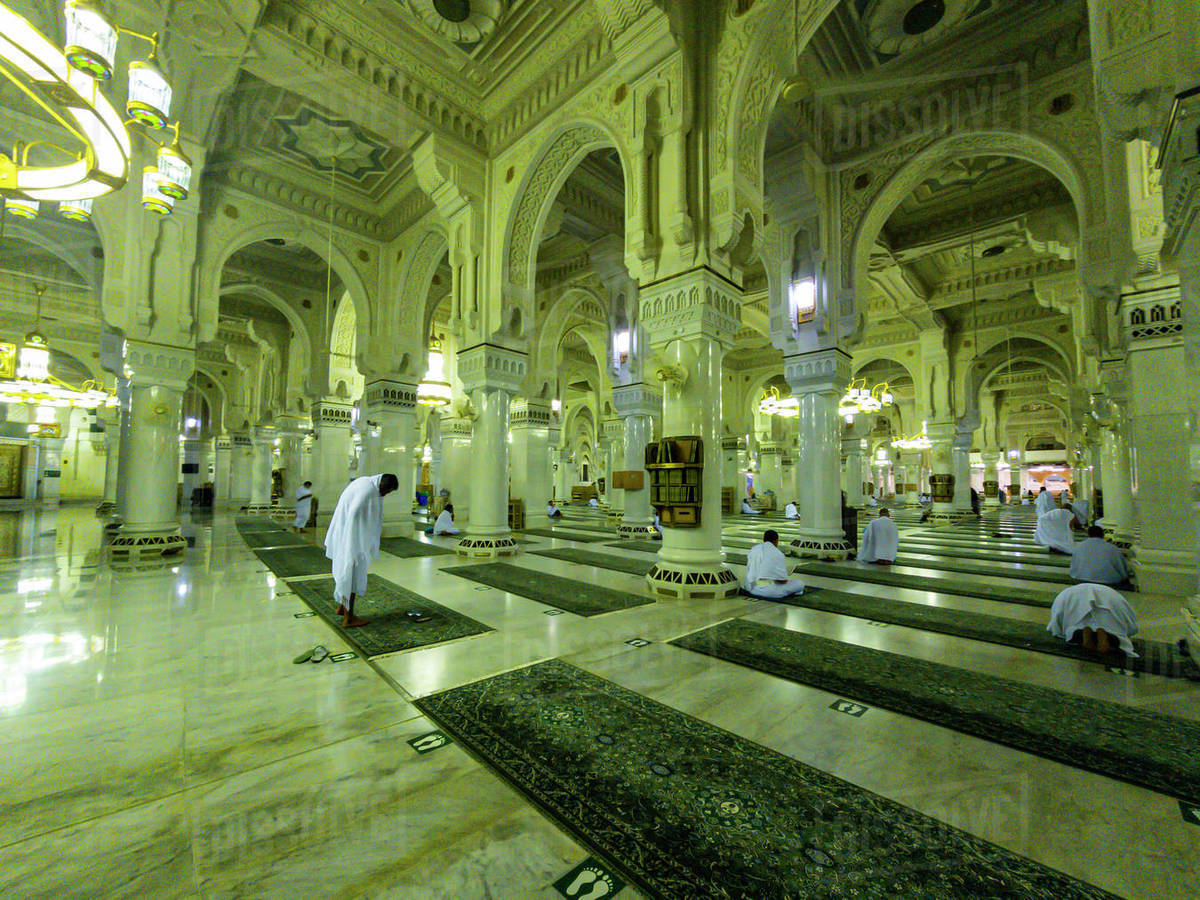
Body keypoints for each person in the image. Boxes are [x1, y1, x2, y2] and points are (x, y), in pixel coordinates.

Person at [323, 473, 399, 628]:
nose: (385, 494)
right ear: (383, 484)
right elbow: (355, 512)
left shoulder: (364, 482)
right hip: (350, 540)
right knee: (351, 577)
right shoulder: (369, 491)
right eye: (387, 491)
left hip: (344, 535)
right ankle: (348, 618)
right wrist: (355, 543)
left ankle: (342, 607)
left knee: (345, 575)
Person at [1048, 583, 1139, 657]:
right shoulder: (1113, 594)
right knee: (1115, 631)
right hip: (1111, 600)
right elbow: (1132, 627)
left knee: (1071, 629)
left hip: (1071, 598)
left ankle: (1077, 632)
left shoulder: (1066, 593)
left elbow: (1055, 624)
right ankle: (1112, 636)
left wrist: (1057, 631)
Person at [744, 529, 804, 599]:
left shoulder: (754, 549)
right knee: (799, 584)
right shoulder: (778, 553)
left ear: (764, 540)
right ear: (776, 541)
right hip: (770, 591)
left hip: (750, 588)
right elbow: (783, 581)